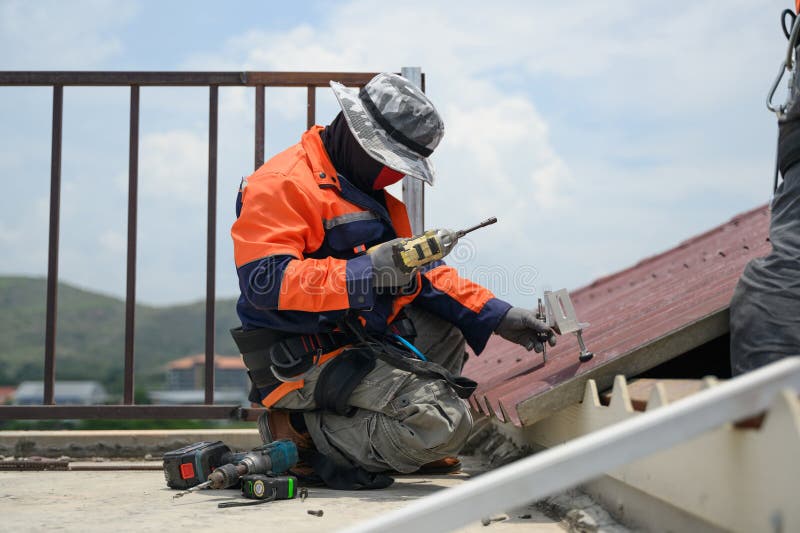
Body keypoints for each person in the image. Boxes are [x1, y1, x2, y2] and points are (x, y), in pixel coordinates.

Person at [230, 72, 555, 488]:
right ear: (351, 129)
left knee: (454, 323)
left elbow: (419, 272)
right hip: (298, 360)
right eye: (386, 159)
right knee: (447, 423)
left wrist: (498, 315)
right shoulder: (283, 184)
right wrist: (365, 272)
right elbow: (264, 284)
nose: (391, 174)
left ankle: (384, 437)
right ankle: (299, 431)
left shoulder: (366, 189)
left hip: (360, 342)